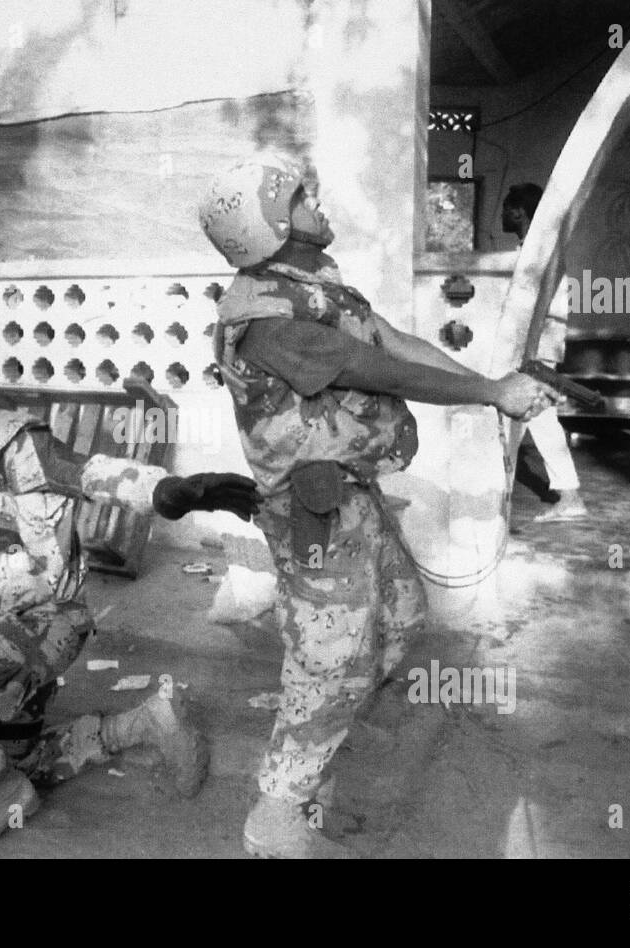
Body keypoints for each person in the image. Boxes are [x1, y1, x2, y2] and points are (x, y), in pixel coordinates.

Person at [198, 154, 558, 858]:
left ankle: (312, 793)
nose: (317, 198)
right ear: (266, 223)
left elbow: (395, 341)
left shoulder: (319, 287)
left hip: (353, 496)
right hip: (312, 513)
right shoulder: (266, 315)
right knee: (328, 662)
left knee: (398, 620)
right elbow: (370, 367)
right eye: (301, 196)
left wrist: (496, 383)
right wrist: (490, 396)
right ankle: (274, 821)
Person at [0, 338, 261, 852]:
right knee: (23, 761)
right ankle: (147, 722)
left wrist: (163, 491)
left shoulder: (13, 442)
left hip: (39, 624)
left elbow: (84, 471)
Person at [502, 183, 589, 521]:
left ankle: (570, 496)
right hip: (533, 341)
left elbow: (538, 305)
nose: (503, 215)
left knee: (538, 415)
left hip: (536, 343)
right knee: (527, 414)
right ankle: (506, 488)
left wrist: (530, 352)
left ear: (520, 211)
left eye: (507, 208)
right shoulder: (531, 247)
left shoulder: (541, 250)